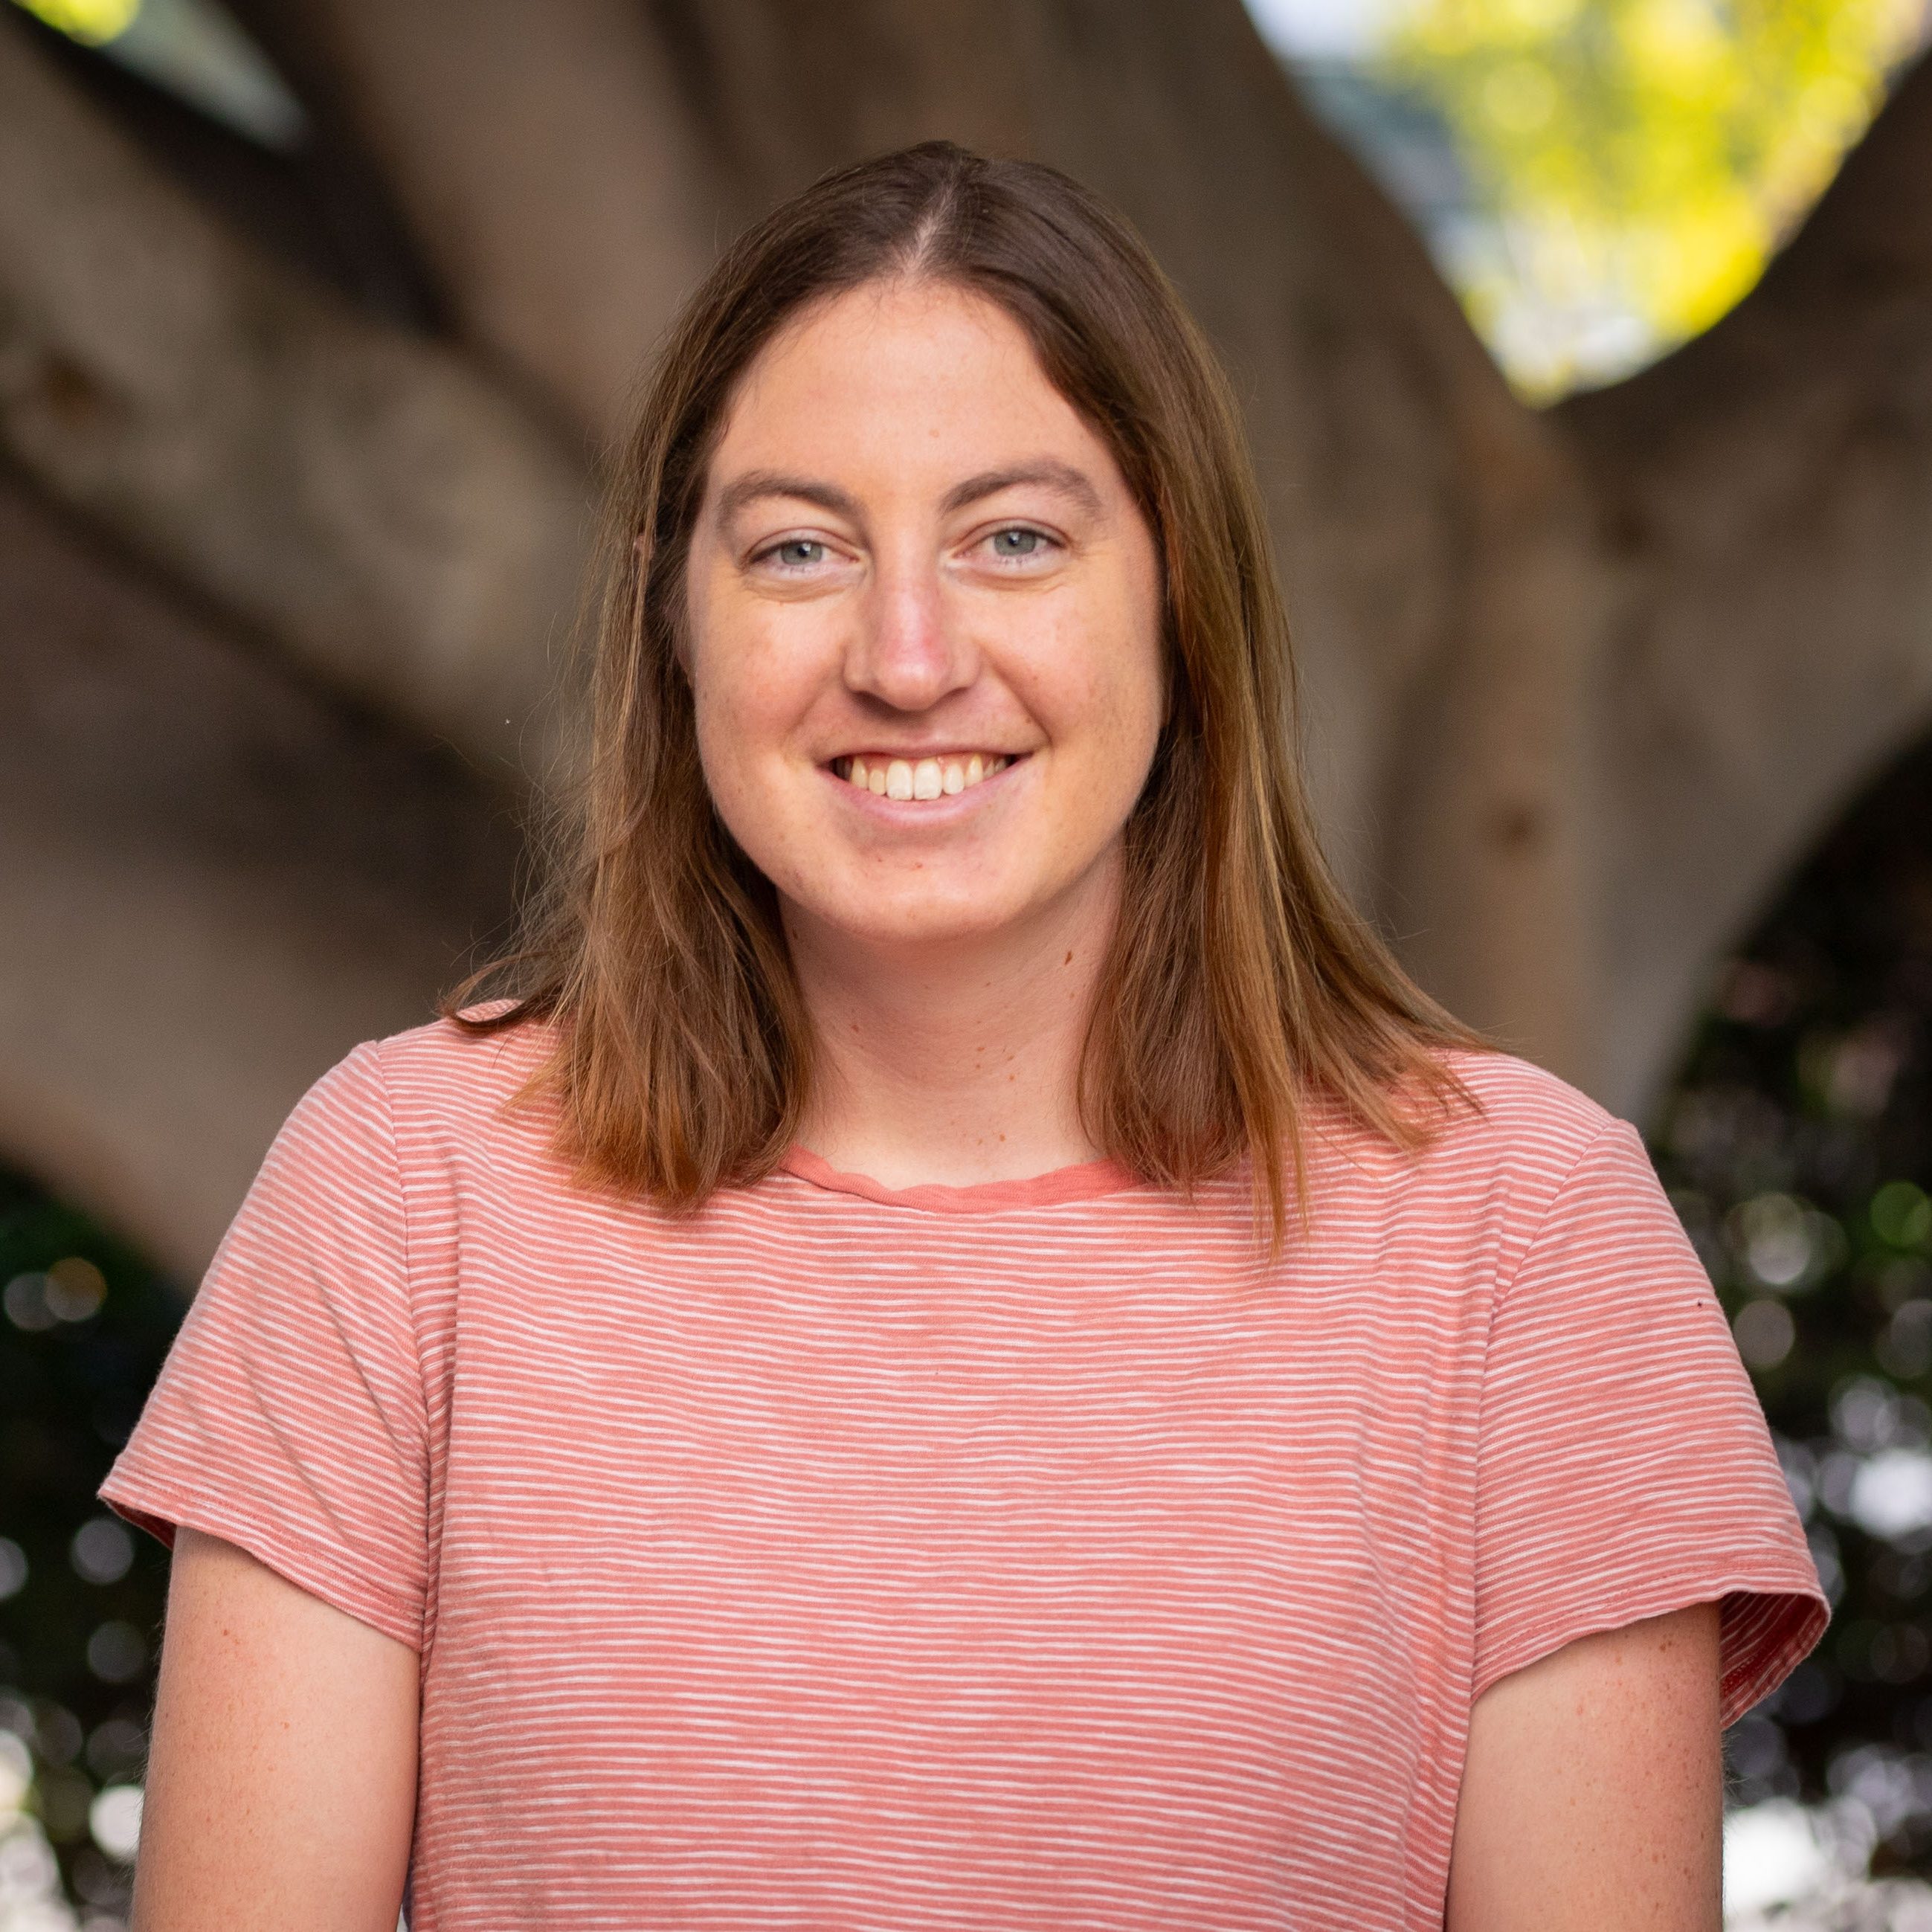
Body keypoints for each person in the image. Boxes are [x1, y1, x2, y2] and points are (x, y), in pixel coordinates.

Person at [103, 140, 1825, 1931]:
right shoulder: (408, 1191)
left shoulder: (1518, 1233)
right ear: (673, 613)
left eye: (1015, 539)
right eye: (797, 548)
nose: (909, 656)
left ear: (1180, 590)